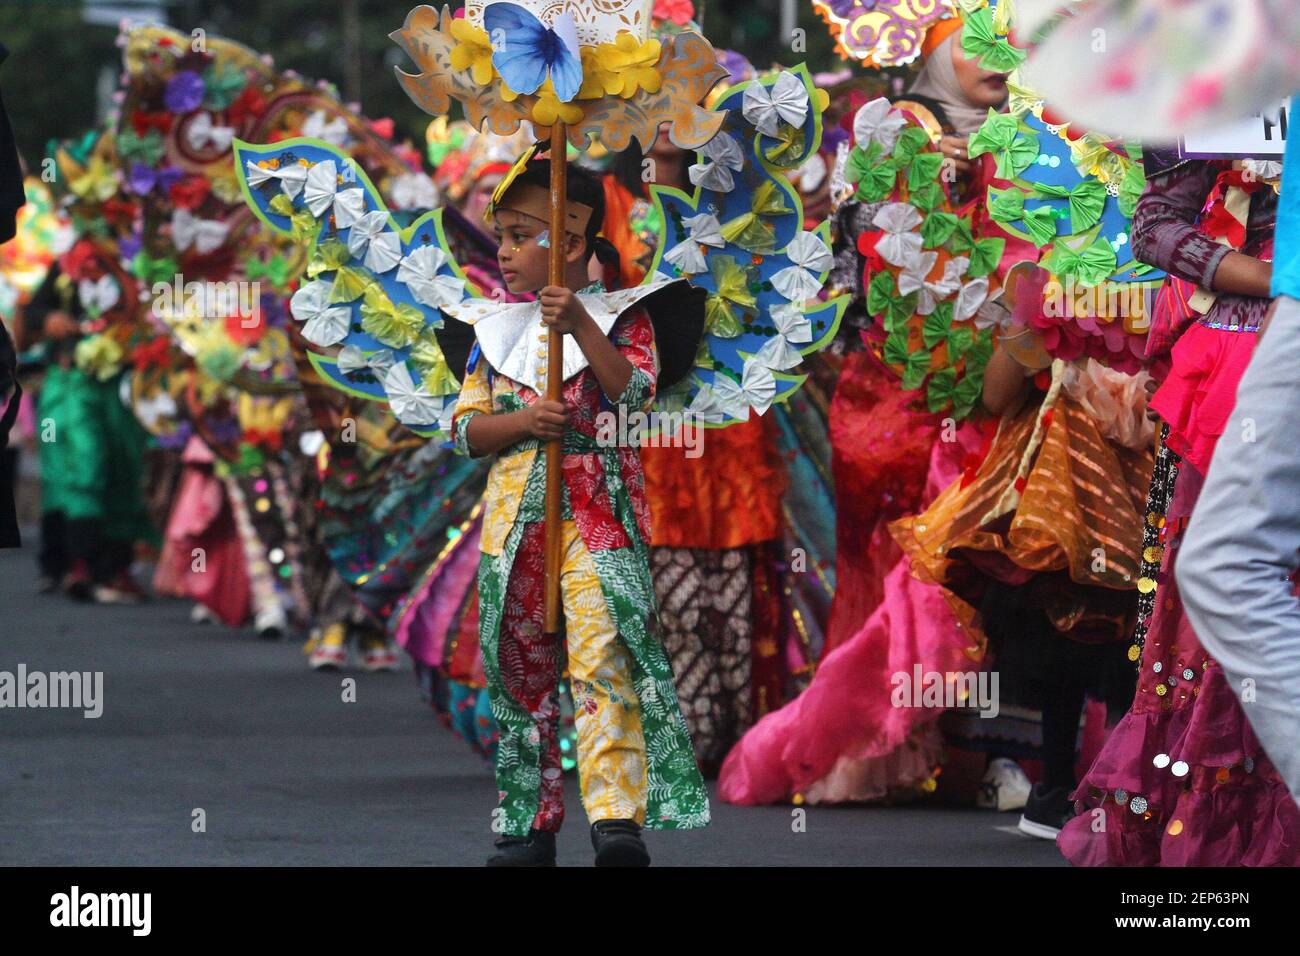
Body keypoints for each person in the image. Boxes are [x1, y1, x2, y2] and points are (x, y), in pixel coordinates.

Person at [449, 155, 708, 867]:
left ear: (568, 246)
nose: (500, 251)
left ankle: (615, 818)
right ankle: (529, 824)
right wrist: (527, 424)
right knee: (519, 667)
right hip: (516, 526)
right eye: (499, 235)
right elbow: (466, 431)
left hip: (600, 521)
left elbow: (633, 398)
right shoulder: (492, 332)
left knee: (603, 659)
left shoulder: (625, 319)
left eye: (518, 236)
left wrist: (584, 329)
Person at [1059, 153, 1300, 865]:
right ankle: (1226, 834)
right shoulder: (1222, 64)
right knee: (1228, 585)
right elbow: (1156, 225)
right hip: (1242, 361)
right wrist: (1267, 277)